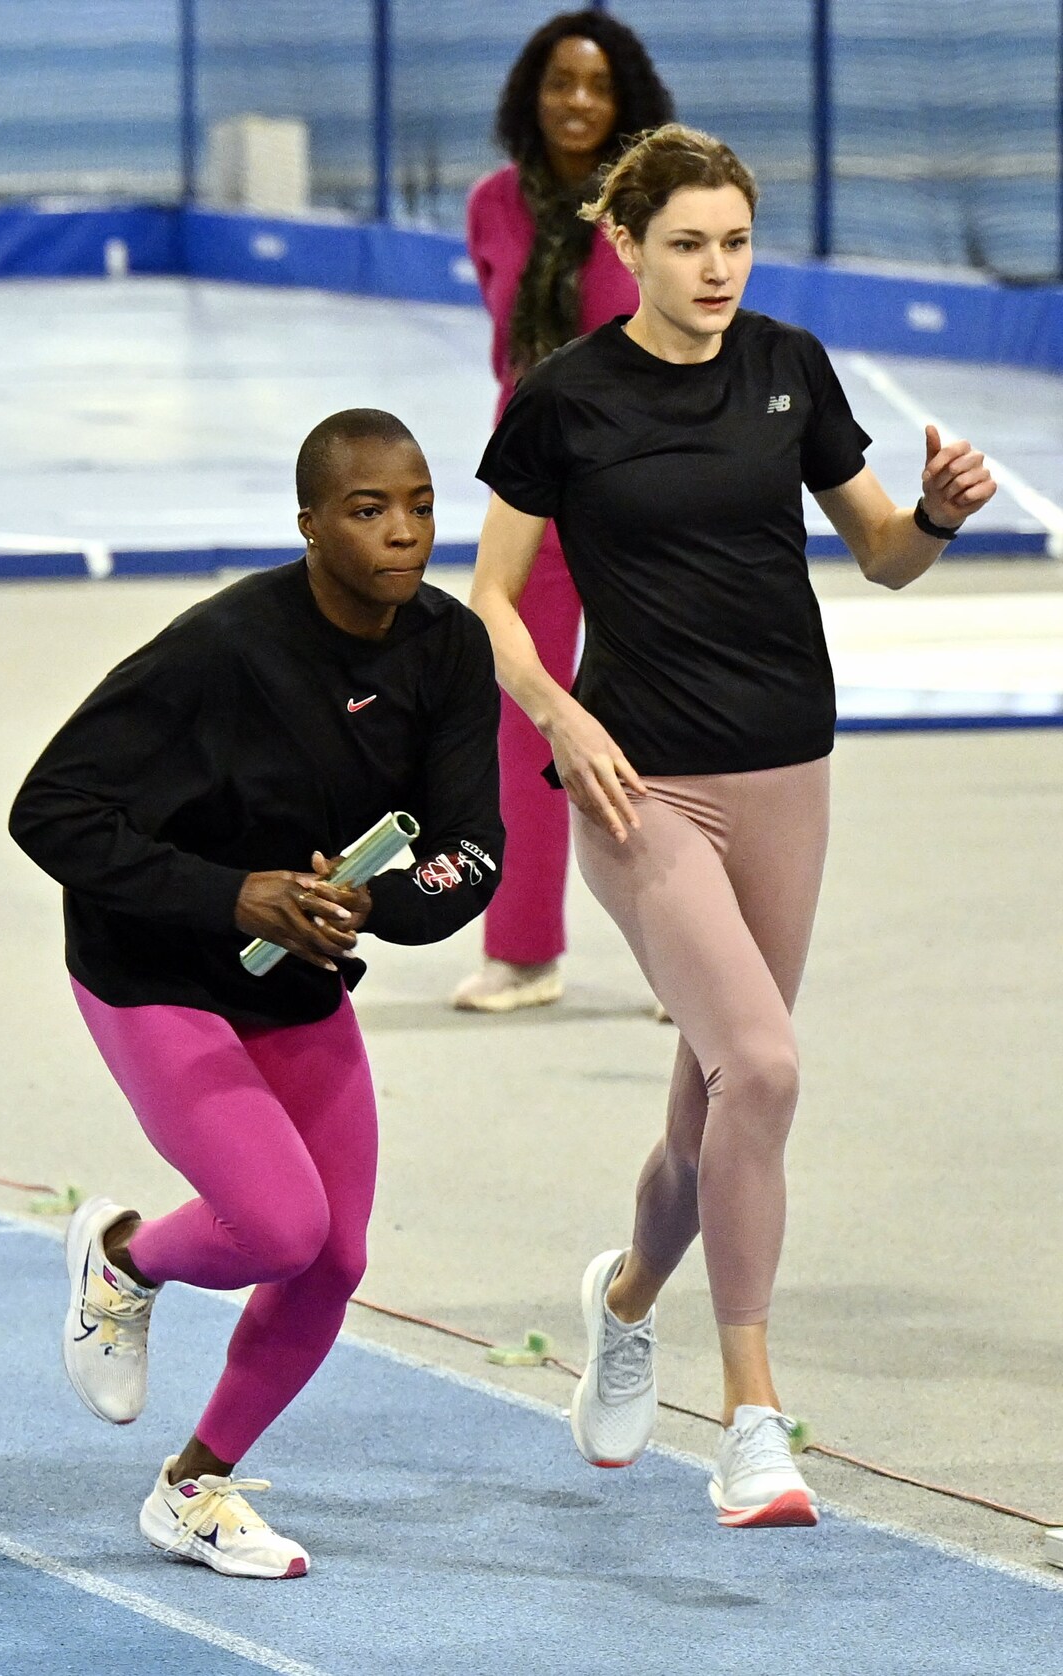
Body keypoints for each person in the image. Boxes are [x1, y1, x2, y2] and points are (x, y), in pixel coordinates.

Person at [469, 124, 995, 1526]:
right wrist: (562, 722)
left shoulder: (789, 369)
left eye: (736, 242)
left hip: (787, 775)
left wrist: (934, 518)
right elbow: (491, 604)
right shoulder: (563, 399)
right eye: (688, 242)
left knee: (716, 1104)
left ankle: (628, 1297)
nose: (716, 268)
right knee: (761, 1061)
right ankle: (754, 1417)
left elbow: (880, 552)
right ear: (625, 248)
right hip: (639, 782)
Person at [12, 410, 504, 1578]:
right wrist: (231, 894)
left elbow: (471, 847)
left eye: (420, 504)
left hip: (297, 973)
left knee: (333, 1259)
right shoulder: (217, 651)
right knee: (278, 1224)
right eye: (366, 509)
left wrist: (370, 907)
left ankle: (194, 1486)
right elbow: (49, 811)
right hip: (153, 966)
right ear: (307, 525)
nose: (402, 532)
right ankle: (126, 1254)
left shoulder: (446, 648)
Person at [455, 12, 672, 1014]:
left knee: (667, 714)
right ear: (528, 95)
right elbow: (509, 351)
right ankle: (523, 950)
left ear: (622, 99)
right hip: (529, 494)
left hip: (639, 489)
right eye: (557, 83)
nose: (575, 101)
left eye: (594, 85)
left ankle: (695, 957)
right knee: (522, 710)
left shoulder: (652, 202)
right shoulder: (491, 204)